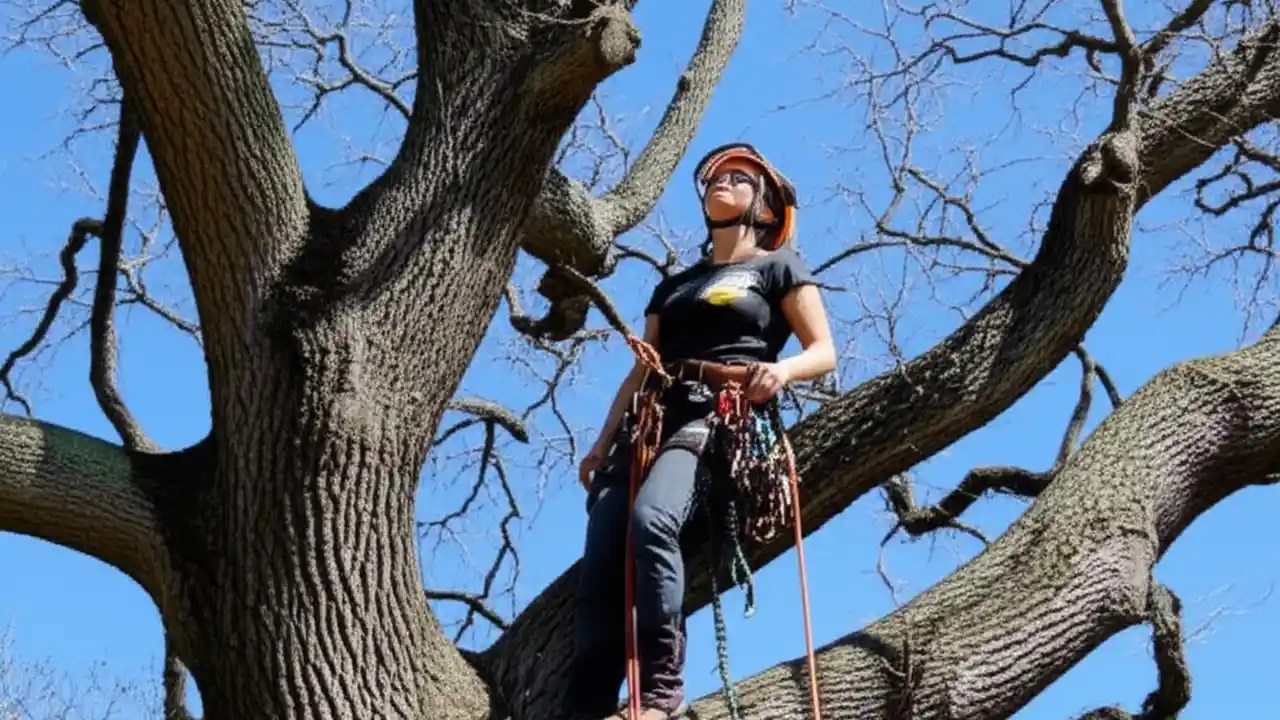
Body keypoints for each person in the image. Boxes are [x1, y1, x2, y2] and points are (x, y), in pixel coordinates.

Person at [565, 143, 836, 720]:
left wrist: (780, 371)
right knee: (600, 570)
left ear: (762, 206)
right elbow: (644, 367)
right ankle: (586, 706)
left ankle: (660, 691)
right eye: (716, 177)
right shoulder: (675, 285)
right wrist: (600, 443)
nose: (722, 182)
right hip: (651, 420)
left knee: (652, 522)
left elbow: (824, 352)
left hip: (719, 414)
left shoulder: (778, 265)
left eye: (738, 179)